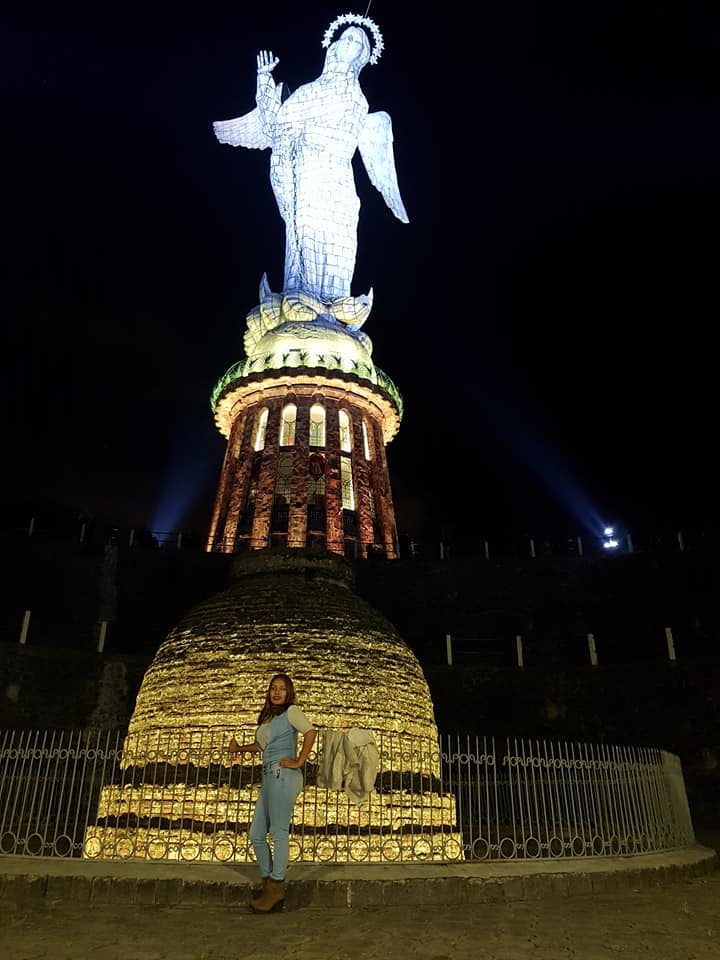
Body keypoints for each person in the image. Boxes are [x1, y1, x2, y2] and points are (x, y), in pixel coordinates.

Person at [213, 16, 408, 304]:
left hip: (340, 180)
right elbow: (277, 128)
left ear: (363, 56)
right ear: (336, 46)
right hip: (310, 173)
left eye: (358, 42)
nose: (351, 44)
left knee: (341, 242)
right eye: (347, 38)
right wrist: (265, 81)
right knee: (308, 238)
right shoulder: (310, 92)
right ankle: (303, 300)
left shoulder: (360, 101)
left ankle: (335, 306)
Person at [228, 673, 316, 913]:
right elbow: (261, 746)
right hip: (268, 776)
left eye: (282, 689)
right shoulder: (268, 718)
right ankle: (268, 883)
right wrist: (240, 748)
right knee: (256, 833)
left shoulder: (292, 712)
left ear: (289, 693)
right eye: (273, 688)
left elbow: (310, 732)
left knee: (278, 832)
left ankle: (276, 886)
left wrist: (299, 761)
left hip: (283, 775)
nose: (277, 693)